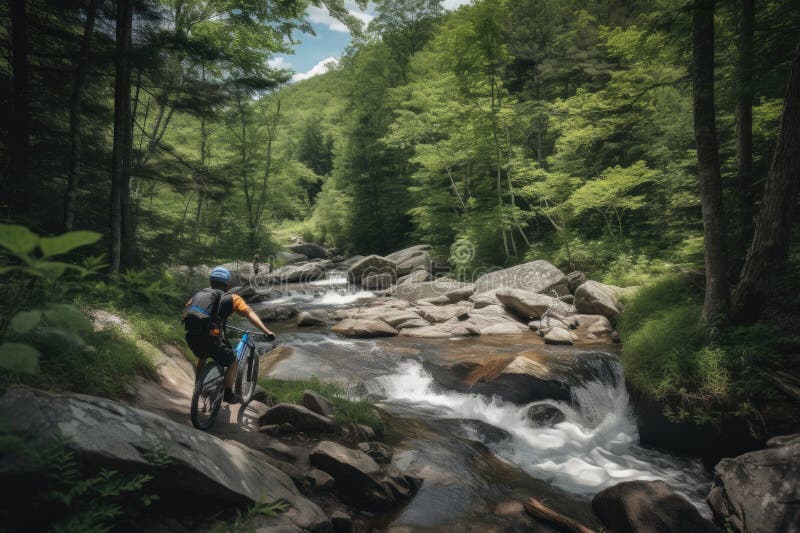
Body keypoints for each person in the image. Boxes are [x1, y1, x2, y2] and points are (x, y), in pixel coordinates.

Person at [183, 266, 275, 403]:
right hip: (211, 340)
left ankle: (198, 386)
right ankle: (228, 394)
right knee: (233, 362)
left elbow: (187, 310)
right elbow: (249, 314)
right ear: (227, 284)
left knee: (202, 357)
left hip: (192, 337)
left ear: (211, 281)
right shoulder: (233, 298)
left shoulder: (199, 294)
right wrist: (266, 331)